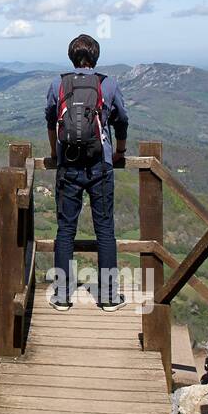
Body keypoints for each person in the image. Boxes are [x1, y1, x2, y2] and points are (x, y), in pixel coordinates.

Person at [44, 34, 130, 311]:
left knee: (65, 230)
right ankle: (107, 297)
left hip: (68, 166)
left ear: (72, 57)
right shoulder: (108, 83)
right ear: (96, 57)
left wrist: (56, 155)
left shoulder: (58, 83)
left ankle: (61, 296)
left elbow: (50, 120)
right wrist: (120, 151)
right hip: (100, 165)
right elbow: (122, 119)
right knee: (105, 229)